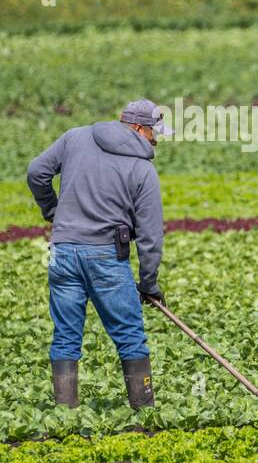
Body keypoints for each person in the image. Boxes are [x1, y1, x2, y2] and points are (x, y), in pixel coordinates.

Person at [27, 99, 170, 409]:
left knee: (66, 335)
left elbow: (36, 172)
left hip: (62, 253)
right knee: (130, 335)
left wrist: (53, 212)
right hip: (106, 257)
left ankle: (64, 414)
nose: (156, 140)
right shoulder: (143, 170)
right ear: (137, 128)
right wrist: (149, 284)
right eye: (154, 132)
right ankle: (146, 414)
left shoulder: (75, 137)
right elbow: (150, 237)